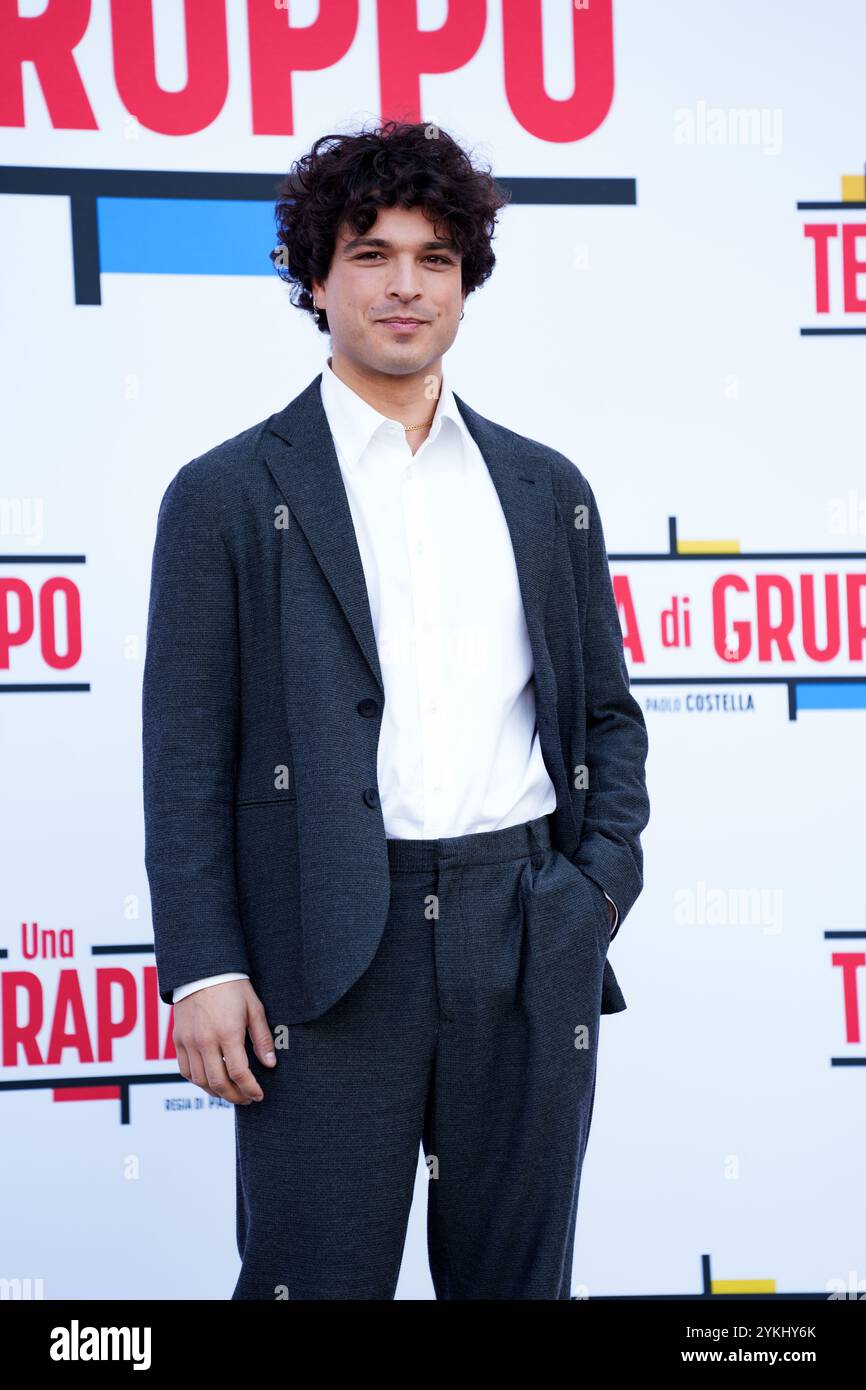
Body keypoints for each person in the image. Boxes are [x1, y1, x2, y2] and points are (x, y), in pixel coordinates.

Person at [142, 120, 650, 1300]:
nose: (404, 284)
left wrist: (590, 893)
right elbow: (183, 757)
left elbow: (604, 721)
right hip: (322, 940)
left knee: (518, 1283)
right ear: (313, 279)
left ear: (466, 279)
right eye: (369, 254)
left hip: (521, 926)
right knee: (310, 1277)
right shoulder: (226, 493)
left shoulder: (543, 487)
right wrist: (203, 966)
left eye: (433, 256)